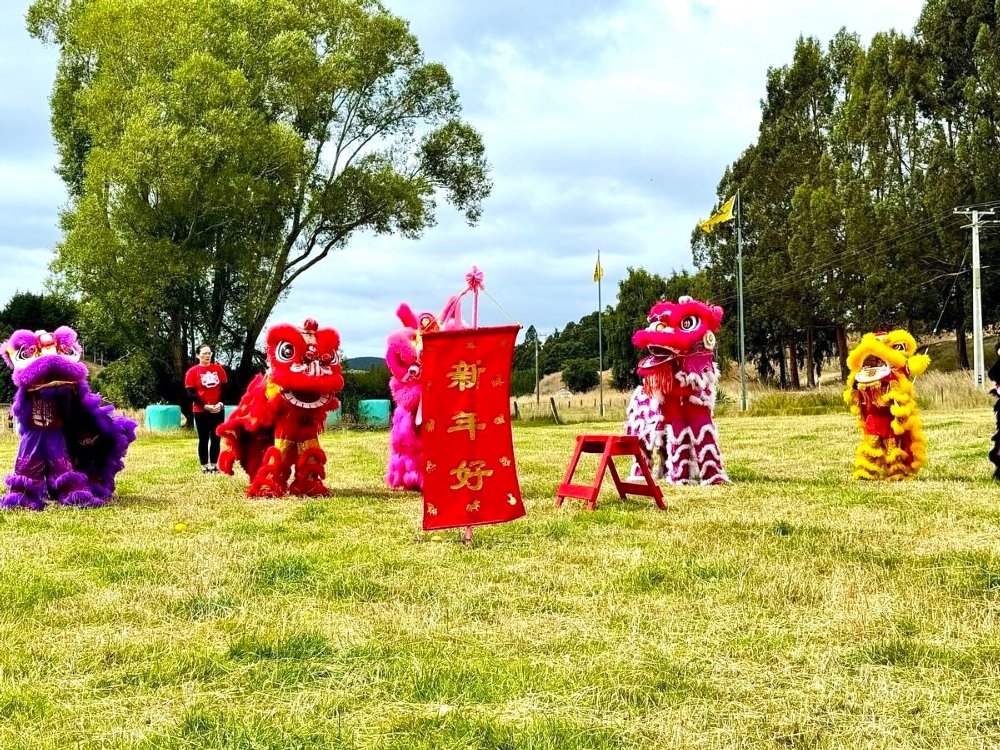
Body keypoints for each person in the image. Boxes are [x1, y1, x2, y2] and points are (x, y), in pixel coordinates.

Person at [184, 344, 227, 473]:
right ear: (198, 355)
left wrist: (220, 403)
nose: (207, 356)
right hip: (201, 411)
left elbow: (225, 388)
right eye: (204, 353)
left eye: (209, 353)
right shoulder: (192, 372)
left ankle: (214, 465)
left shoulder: (218, 369)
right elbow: (191, 393)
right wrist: (205, 406)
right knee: (203, 439)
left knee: (216, 438)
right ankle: (204, 466)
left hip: (217, 409)